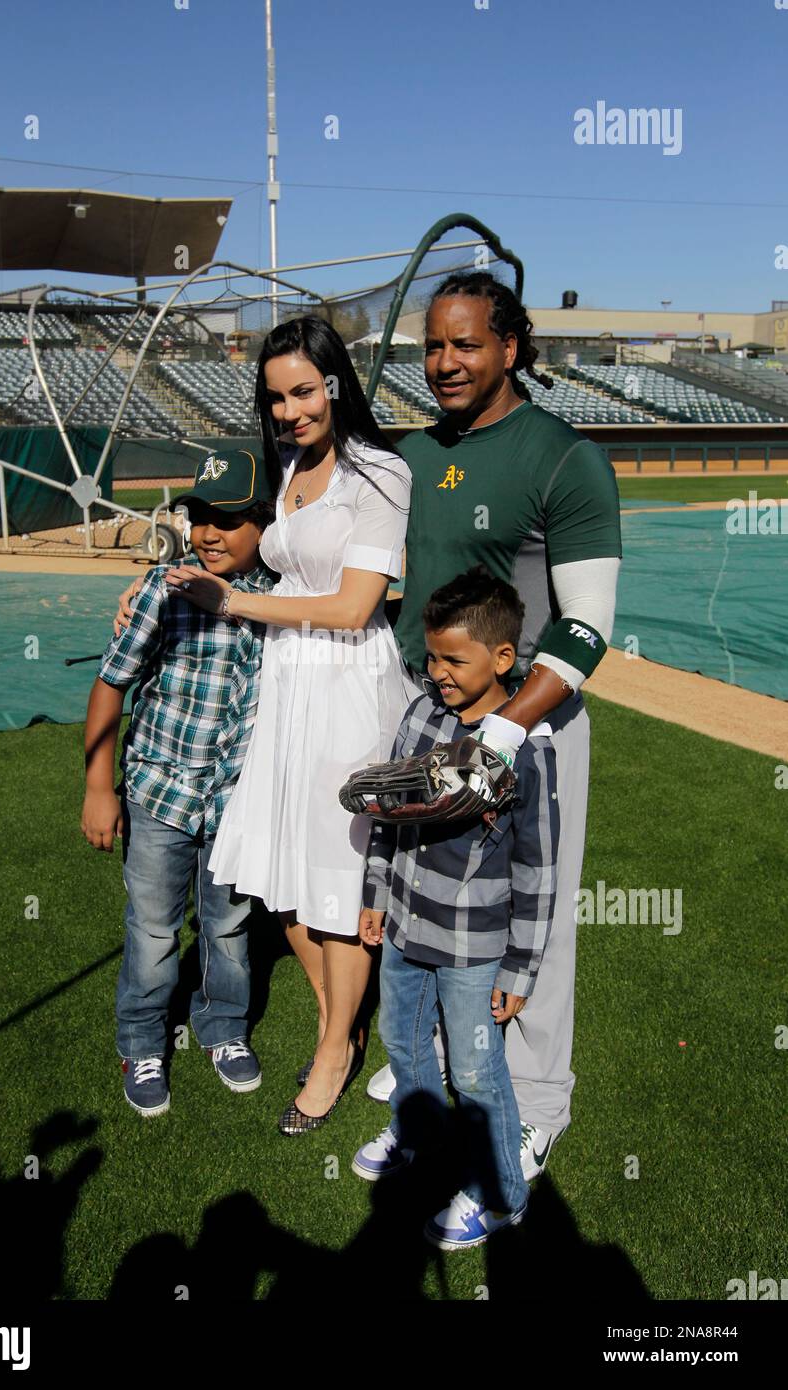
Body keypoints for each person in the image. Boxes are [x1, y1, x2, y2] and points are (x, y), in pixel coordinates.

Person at [119, 317, 417, 1133]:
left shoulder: (381, 472)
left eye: (304, 391)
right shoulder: (284, 467)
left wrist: (232, 604)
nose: (289, 411)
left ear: (336, 384)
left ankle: (332, 1054)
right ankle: (337, 1024)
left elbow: (353, 606)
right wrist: (157, 581)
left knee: (337, 876)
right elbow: (245, 552)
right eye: (276, 397)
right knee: (280, 871)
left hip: (345, 683)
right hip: (281, 685)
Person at [368, 270, 621, 1183]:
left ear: (509, 348)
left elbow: (585, 627)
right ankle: (442, 1060)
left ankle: (538, 1103)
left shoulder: (563, 457)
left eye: (465, 344)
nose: (444, 361)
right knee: (433, 895)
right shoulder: (411, 452)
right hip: (430, 710)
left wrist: (503, 732)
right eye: (433, 345)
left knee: (530, 909)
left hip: (529, 727)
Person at [353, 564, 559, 1249]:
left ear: (502, 657)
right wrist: (375, 892)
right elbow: (387, 812)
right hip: (404, 922)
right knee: (403, 1039)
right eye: (431, 656)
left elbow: (537, 867)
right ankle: (418, 1133)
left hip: (473, 945)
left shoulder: (528, 748)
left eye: (453, 660)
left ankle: (501, 1195)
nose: (437, 672)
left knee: (474, 1070)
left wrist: (520, 969)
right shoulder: (421, 715)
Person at [81, 449, 277, 1116]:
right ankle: (141, 1040)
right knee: (154, 930)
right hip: (158, 795)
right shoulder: (163, 588)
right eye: (199, 517)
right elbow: (111, 683)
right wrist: (98, 788)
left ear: (264, 522)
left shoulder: (283, 598)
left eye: (229, 519)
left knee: (228, 927)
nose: (208, 533)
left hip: (235, 803)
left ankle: (222, 1026)